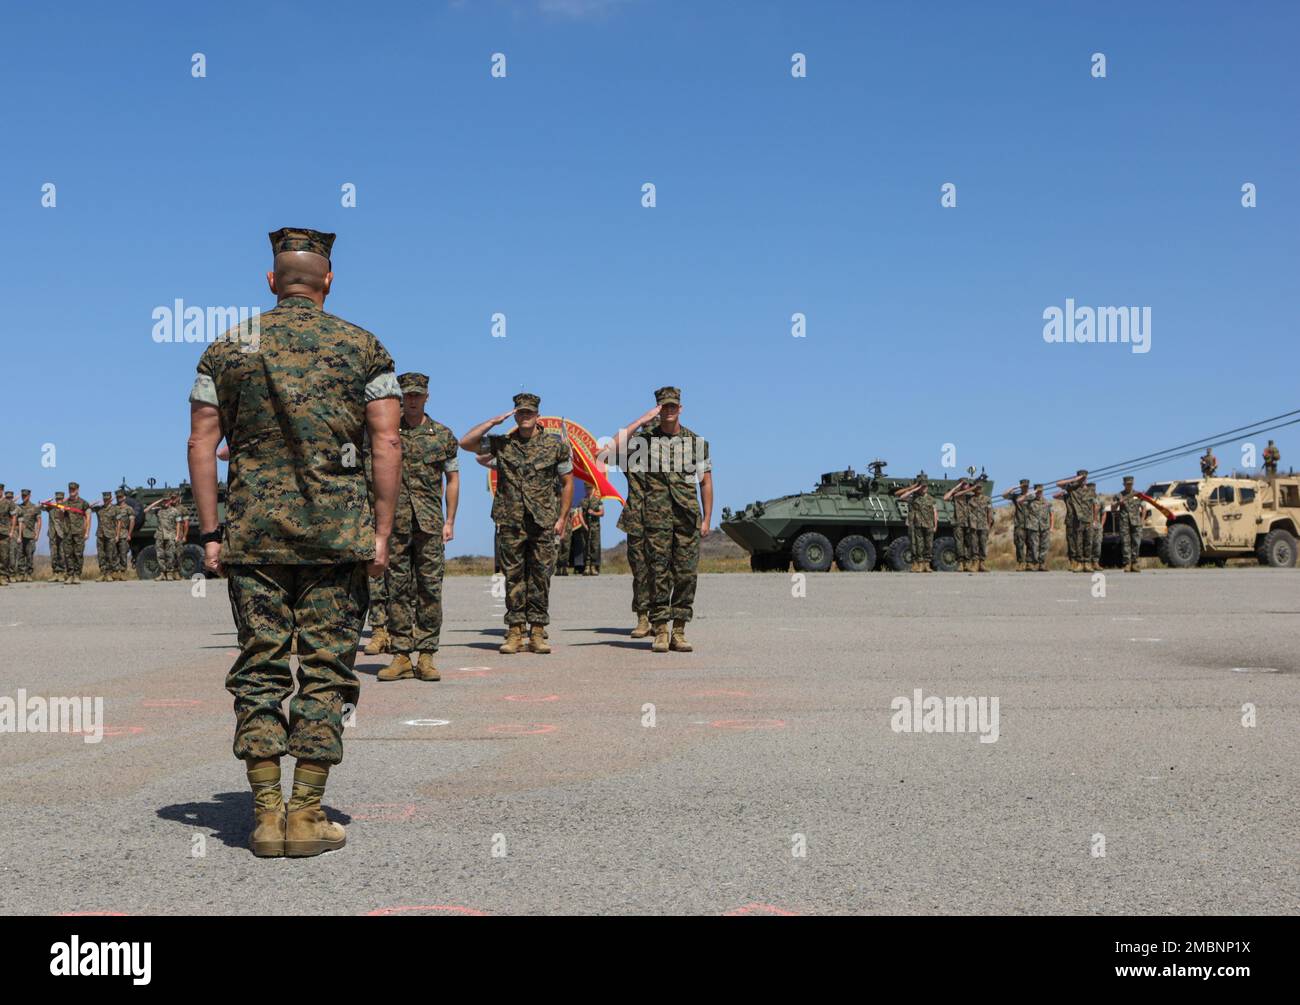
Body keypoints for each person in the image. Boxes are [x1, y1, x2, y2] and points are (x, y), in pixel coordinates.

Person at [187, 226, 402, 858]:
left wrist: (210, 534)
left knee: (260, 669)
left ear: (272, 280)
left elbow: (202, 445)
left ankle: (264, 813)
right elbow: (386, 442)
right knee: (326, 669)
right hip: (338, 539)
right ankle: (305, 815)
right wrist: (382, 531)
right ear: (329, 281)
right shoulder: (364, 347)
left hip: (253, 537)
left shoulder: (226, 348)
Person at [461, 393, 573, 655]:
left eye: (529, 413)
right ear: (515, 414)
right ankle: (514, 631)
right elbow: (466, 443)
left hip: (543, 521)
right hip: (511, 520)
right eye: (520, 412)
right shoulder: (503, 443)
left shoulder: (555, 446)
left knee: (540, 577)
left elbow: (568, 482)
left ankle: (536, 631)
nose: (525, 417)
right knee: (513, 577)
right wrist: (492, 422)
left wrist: (562, 517)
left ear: (537, 416)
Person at [613, 387, 712, 652]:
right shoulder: (645, 442)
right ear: (657, 409)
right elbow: (609, 452)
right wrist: (641, 421)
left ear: (680, 408)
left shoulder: (695, 442)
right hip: (655, 519)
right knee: (657, 573)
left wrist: (706, 519)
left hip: (687, 517)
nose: (668, 411)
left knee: (686, 574)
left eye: (672, 406)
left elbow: (705, 482)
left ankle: (678, 630)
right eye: (663, 407)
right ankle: (659, 629)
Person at [379, 372, 459, 683]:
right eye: (407, 394)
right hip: (393, 523)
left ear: (426, 397)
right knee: (396, 588)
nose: (412, 399)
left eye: (417, 394)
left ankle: (426, 654)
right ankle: (400, 654)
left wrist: (450, 520)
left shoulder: (442, 436)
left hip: (429, 523)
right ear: (400, 397)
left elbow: (452, 479)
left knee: (430, 589)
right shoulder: (385, 433)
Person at [896, 473, 936, 572]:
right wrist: (914, 488)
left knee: (929, 545)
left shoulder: (931, 498)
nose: (924, 488)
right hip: (916, 524)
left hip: (929, 524)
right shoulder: (913, 497)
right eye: (922, 487)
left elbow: (935, 513)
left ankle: (926, 565)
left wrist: (936, 525)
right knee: (916, 545)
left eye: (925, 486)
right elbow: (900, 496)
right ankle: (917, 564)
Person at [61, 482, 92, 585]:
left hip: (79, 533)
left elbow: (88, 517)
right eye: (70, 489)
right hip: (67, 532)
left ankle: (77, 575)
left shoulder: (83, 503)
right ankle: (70, 575)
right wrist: (61, 511)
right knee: (68, 554)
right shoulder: (65, 503)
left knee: (78, 554)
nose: (71, 491)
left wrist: (87, 532)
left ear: (78, 490)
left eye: (73, 489)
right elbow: (60, 518)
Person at [1001, 479, 1033, 571]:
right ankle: (1020, 563)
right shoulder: (1016, 496)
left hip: (1030, 524)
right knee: (1019, 544)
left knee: (1030, 544)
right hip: (1019, 524)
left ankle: (1029, 563)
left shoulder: (1031, 495)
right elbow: (1004, 495)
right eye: (1023, 486)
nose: (1025, 488)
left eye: (1026, 486)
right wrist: (1016, 487)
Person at [1114, 476, 1144, 572]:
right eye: (1127, 484)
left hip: (1136, 522)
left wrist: (1142, 520)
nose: (1129, 486)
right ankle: (1127, 563)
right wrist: (1118, 503)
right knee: (1125, 543)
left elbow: (1144, 507)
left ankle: (1135, 563)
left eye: (1130, 484)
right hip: (1124, 523)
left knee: (1136, 543)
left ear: (1133, 484)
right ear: (1124, 484)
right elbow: (1112, 508)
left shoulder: (1137, 495)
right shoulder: (1119, 495)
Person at [943, 479, 971, 572]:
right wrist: (956, 487)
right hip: (958, 522)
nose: (964, 486)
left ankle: (968, 563)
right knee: (959, 543)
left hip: (970, 522)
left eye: (966, 484)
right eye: (963, 484)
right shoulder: (955, 494)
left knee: (969, 543)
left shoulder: (970, 494)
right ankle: (961, 563)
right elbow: (945, 498)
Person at [966, 479, 993, 572]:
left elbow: (989, 513)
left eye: (980, 488)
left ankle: (982, 564)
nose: (978, 489)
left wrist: (989, 525)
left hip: (983, 525)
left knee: (983, 544)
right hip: (973, 526)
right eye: (977, 488)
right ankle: (975, 563)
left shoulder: (987, 499)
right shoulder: (970, 499)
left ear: (983, 488)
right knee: (974, 545)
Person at [15, 489, 40, 582]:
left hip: (30, 535)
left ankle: (28, 574)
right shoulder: (18, 507)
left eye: (25, 496)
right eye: (22, 496)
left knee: (29, 555)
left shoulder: (34, 507)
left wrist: (37, 534)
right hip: (20, 535)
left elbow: (39, 521)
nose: (23, 497)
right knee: (20, 555)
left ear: (29, 496)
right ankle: (21, 574)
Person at [42, 491, 67, 582]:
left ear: (63, 499)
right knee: (53, 554)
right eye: (57, 499)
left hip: (62, 533)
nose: (59, 501)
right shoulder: (51, 507)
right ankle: (55, 573)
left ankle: (63, 573)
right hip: (52, 533)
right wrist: (48, 501)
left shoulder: (65, 507)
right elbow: (41, 507)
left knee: (62, 553)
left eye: (60, 499)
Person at [94, 491, 117, 581]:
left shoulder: (115, 509)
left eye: (107, 499)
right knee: (101, 555)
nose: (106, 500)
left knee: (110, 555)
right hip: (100, 534)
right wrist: (96, 502)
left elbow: (119, 522)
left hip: (110, 534)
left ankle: (109, 574)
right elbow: (88, 508)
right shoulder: (99, 509)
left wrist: (117, 535)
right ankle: (102, 573)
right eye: (104, 499)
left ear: (110, 499)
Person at [112, 490, 135, 580]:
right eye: (117, 497)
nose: (119, 499)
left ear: (124, 497)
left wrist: (129, 534)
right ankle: (116, 572)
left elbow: (132, 521)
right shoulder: (113, 508)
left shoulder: (129, 509)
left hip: (124, 533)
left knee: (123, 553)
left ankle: (123, 572)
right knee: (114, 553)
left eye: (121, 497)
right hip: (113, 533)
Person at [580, 491, 604, 575]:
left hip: (595, 527)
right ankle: (586, 566)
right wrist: (584, 525)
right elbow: (580, 514)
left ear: (593, 489)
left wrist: (593, 513)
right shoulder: (582, 501)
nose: (588, 489)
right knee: (585, 545)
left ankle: (593, 566)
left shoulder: (598, 501)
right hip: (586, 527)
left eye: (589, 488)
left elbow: (602, 513)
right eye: (586, 488)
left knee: (594, 546)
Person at [0, 485, 13, 586]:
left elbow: (14, 517)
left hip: (4, 532)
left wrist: (12, 530)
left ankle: (3, 576)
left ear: (2, 491)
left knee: (4, 555)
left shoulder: (8, 503)